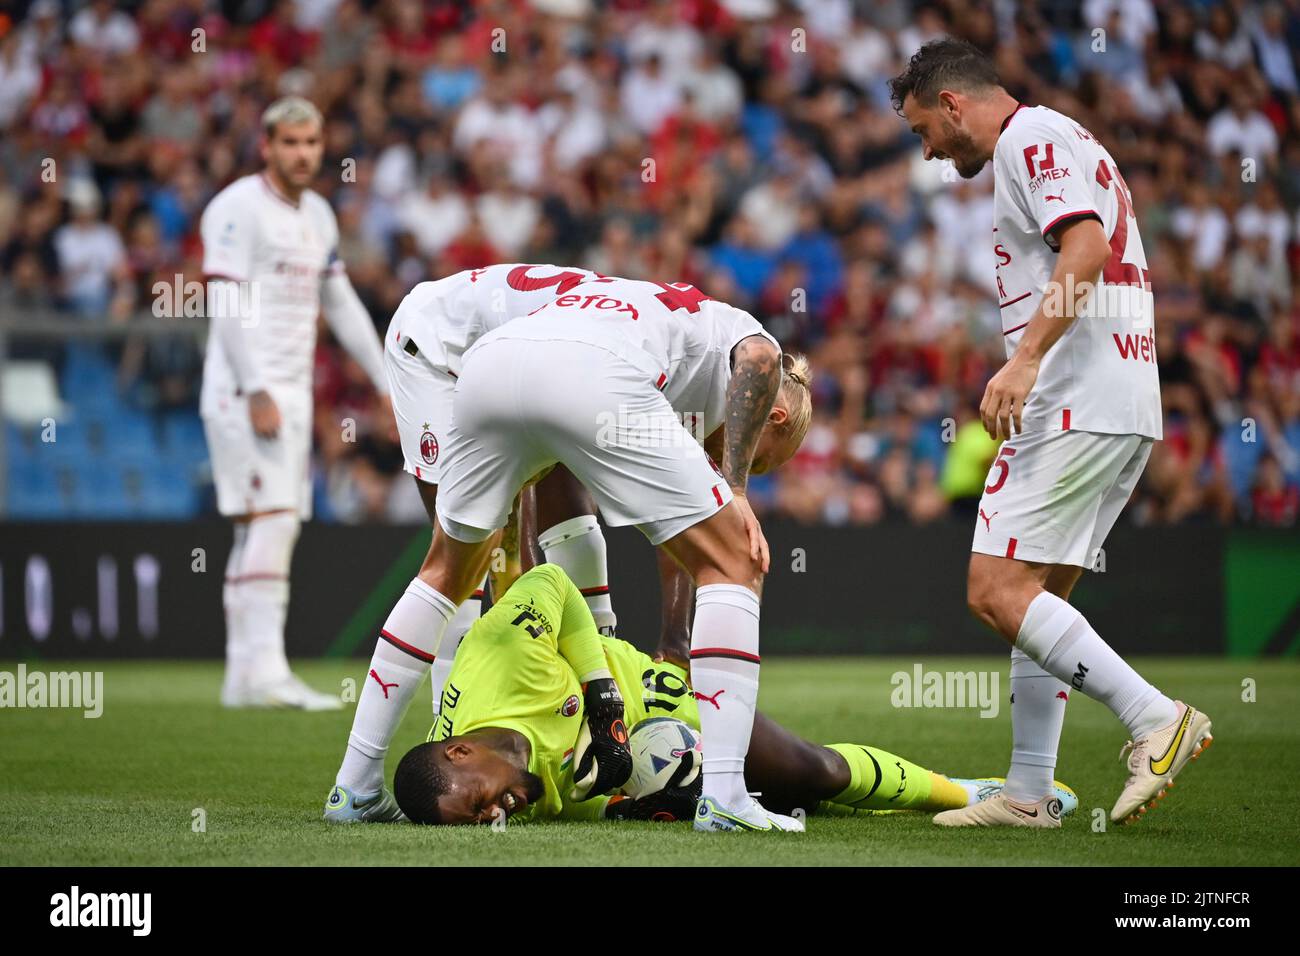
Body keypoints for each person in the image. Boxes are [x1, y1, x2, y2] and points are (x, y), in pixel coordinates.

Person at [327, 274, 813, 833]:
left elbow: (665, 525)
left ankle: (355, 784)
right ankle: (726, 795)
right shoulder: (741, 342)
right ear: (772, 417)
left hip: (489, 366)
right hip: (470, 354)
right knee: (737, 558)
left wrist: (671, 637)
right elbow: (759, 355)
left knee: (446, 571)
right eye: (764, 459)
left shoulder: (667, 327)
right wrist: (737, 488)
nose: (747, 459)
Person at [889, 39, 1212, 828]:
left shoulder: (1031, 139)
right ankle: (1029, 792)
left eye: (922, 128)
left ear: (953, 103)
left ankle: (1154, 718)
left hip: (1075, 395)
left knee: (994, 591)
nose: (928, 150)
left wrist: (1026, 359)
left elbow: (1088, 244)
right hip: (1121, 396)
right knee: (1037, 601)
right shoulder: (1065, 137)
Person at [391, 563, 1077, 826]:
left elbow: (551, 584)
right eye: (482, 821)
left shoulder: (494, 663)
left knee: (814, 772)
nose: (497, 814)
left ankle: (972, 792)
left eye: (481, 802)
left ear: (459, 749)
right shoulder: (512, 797)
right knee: (788, 798)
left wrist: (605, 708)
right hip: (649, 743)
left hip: (650, 693)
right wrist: (632, 802)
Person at [200, 96, 389, 709]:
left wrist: (388, 380)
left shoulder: (318, 216)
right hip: (245, 387)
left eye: (312, 142)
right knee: (277, 519)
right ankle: (268, 672)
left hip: (291, 390)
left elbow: (340, 305)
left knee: (255, 525)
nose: (303, 153)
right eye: (290, 142)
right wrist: (256, 388)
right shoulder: (236, 208)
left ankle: (241, 676)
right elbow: (223, 303)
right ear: (267, 145)